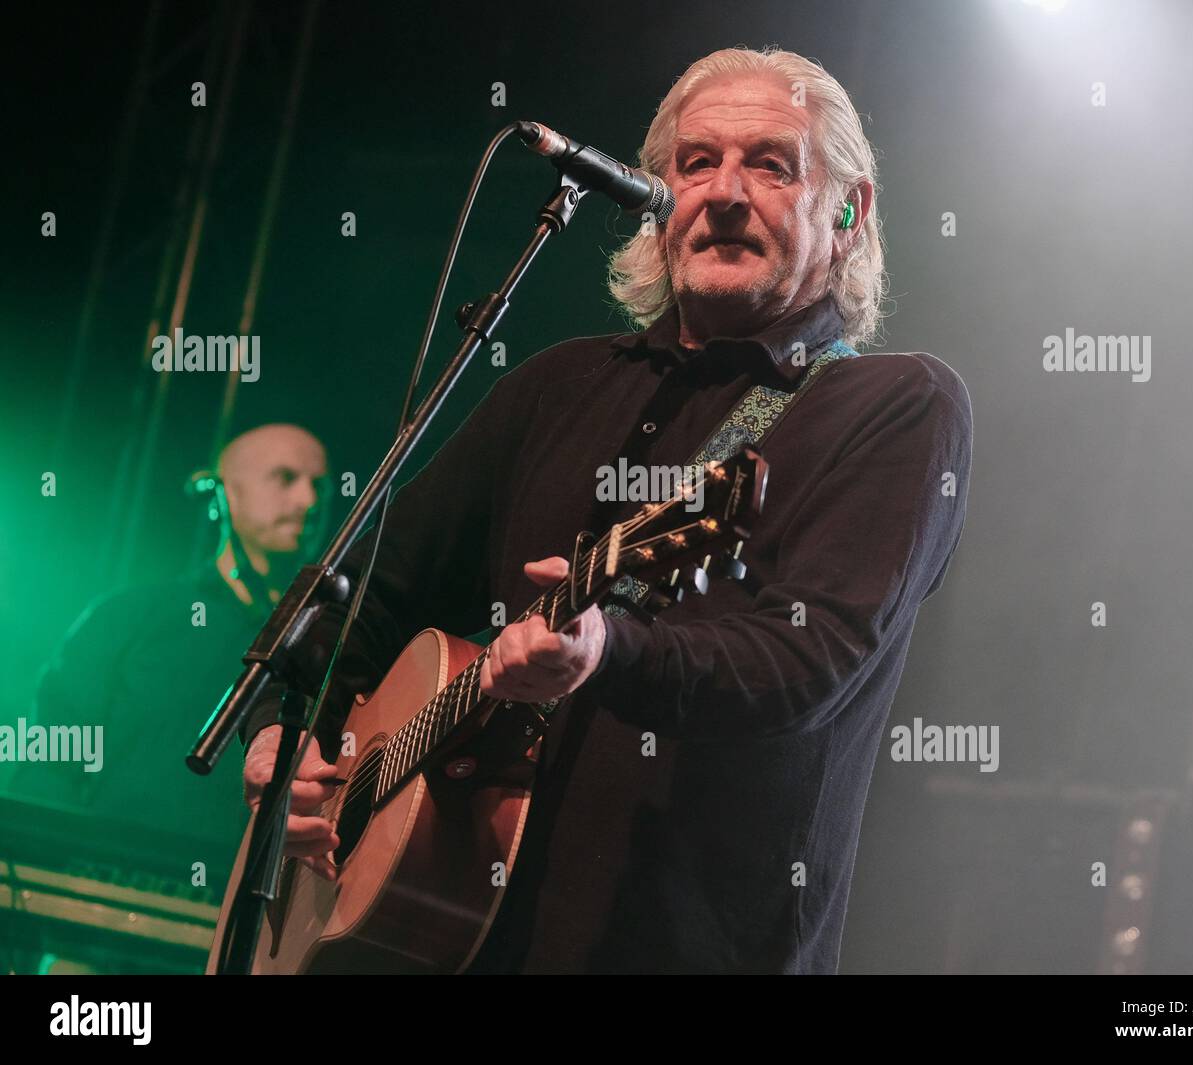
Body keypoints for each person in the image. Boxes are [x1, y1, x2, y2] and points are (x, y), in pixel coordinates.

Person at [241, 46, 973, 974]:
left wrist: (610, 649)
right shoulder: (557, 385)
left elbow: (811, 659)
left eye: (771, 163)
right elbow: (366, 579)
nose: (726, 192)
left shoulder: (897, 406)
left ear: (846, 211)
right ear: (655, 196)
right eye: (696, 162)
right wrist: (288, 729)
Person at [13, 423, 328, 864]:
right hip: (107, 880)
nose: (307, 501)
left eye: (319, 485)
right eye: (285, 479)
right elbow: (51, 755)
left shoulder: (331, 638)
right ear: (224, 493)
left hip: (252, 907)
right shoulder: (129, 614)